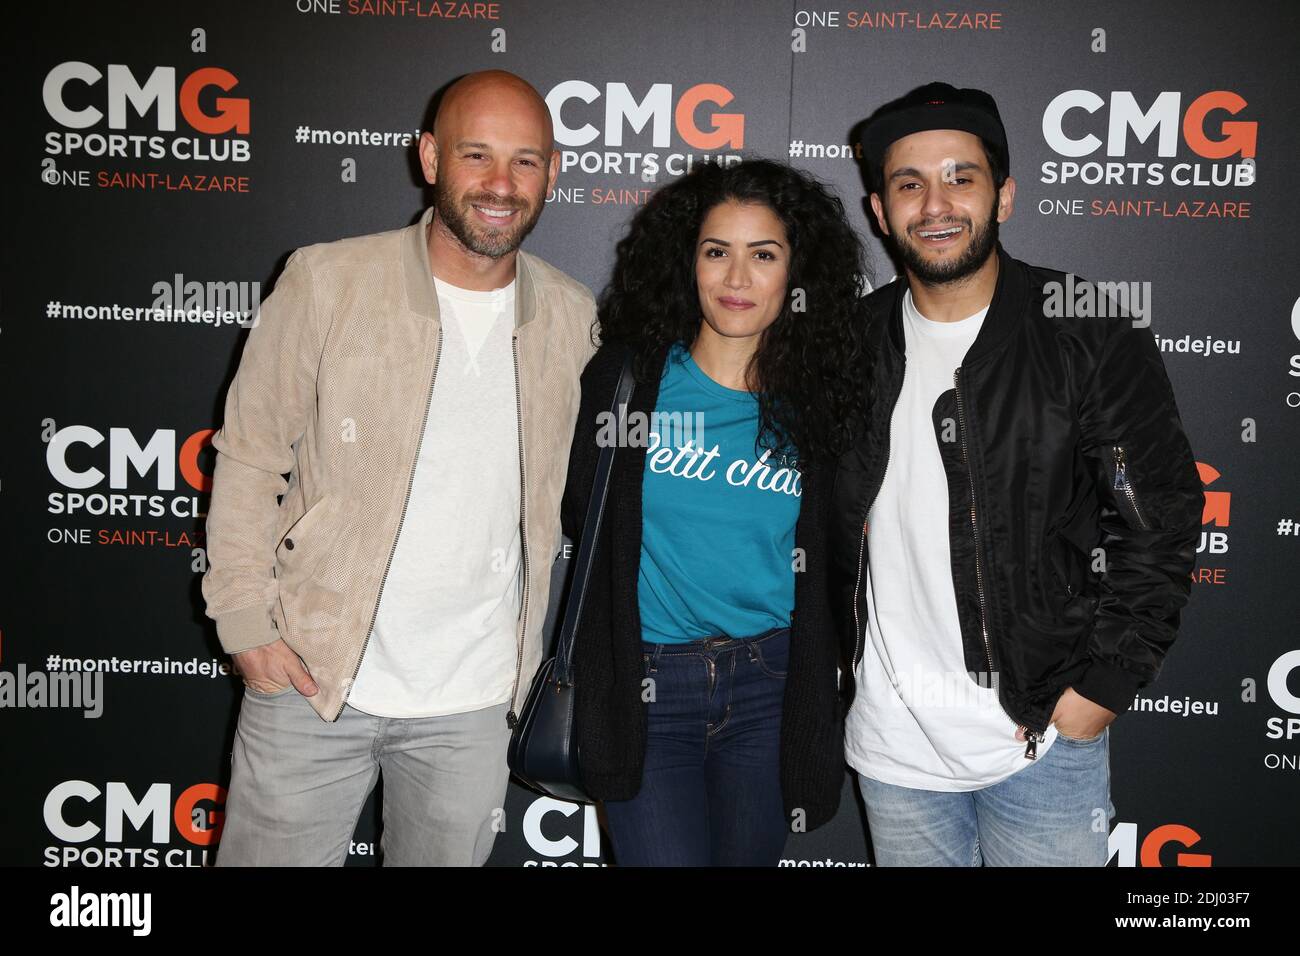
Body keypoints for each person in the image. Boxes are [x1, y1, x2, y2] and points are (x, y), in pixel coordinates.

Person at [201, 70, 598, 866]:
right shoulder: (327, 281)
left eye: (526, 161)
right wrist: (244, 623)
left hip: (476, 706)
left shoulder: (571, 313)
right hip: (309, 682)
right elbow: (249, 453)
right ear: (429, 158)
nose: (499, 184)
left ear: (554, 173)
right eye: (476, 155)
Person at [833, 82, 1204, 866]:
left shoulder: (1085, 326)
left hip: (1040, 741)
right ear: (878, 209)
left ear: (1003, 196)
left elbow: (1158, 520)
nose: (936, 204)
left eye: (961, 178)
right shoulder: (850, 342)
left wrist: (1101, 688)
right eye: (909, 183)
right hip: (893, 750)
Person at [561, 158, 870, 866]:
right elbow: (586, 513)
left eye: (763, 255)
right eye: (716, 251)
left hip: (771, 688)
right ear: (686, 262)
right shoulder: (626, 382)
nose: (737, 279)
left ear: (797, 273)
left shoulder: (824, 403)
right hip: (646, 686)